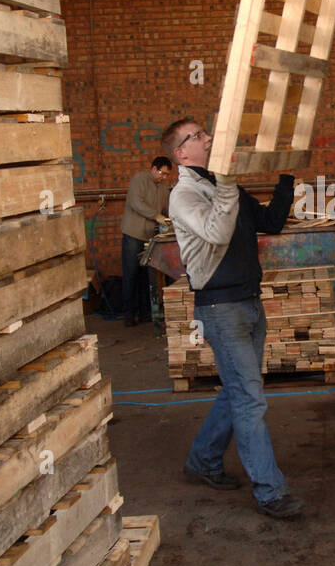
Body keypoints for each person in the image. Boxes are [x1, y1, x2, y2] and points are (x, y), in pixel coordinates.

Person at [163, 118, 302, 519]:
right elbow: (217, 232)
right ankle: (270, 490)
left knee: (237, 390)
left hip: (248, 302)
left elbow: (269, 222)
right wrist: (226, 183)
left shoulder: (224, 187)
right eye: (197, 136)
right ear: (181, 153)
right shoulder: (184, 195)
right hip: (219, 309)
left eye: (206, 132)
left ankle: (203, 460)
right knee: (249, 399)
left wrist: (287, 176)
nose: (208, 138)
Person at [121, 156, 172, 326]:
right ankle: (129, 314)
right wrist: (157, 216)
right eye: (162, 173)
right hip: (133, 234)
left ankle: (145, 313)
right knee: (131, 274)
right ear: (153, 168)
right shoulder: (139, 179)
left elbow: (167, 209)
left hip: (150, 237)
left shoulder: (164, 188)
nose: (163, 177)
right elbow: (136, 203)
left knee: (146, 276)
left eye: (166, 175)